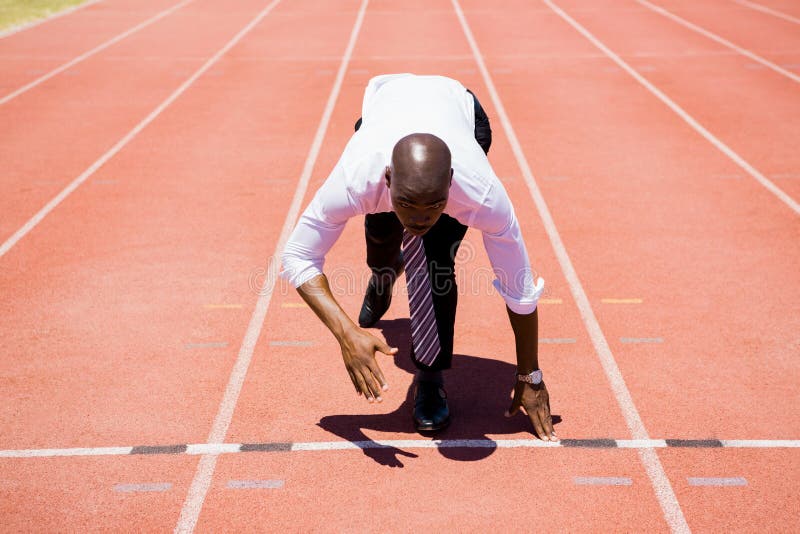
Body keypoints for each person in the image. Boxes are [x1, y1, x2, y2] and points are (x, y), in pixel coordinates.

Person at [281, 73, 557, 440]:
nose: (420, 218)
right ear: (388, 179)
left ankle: (430, 378)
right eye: (407, 204)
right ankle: (384, 272)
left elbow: (519, 290)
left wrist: (529, 375)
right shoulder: (355, 178)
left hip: (464, 115)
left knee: (435, 261)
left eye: (434, 205)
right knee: (381, 237)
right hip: (384, 113)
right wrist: (346, 332)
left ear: (451, 182)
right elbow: (298, 256)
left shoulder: (482, 195)